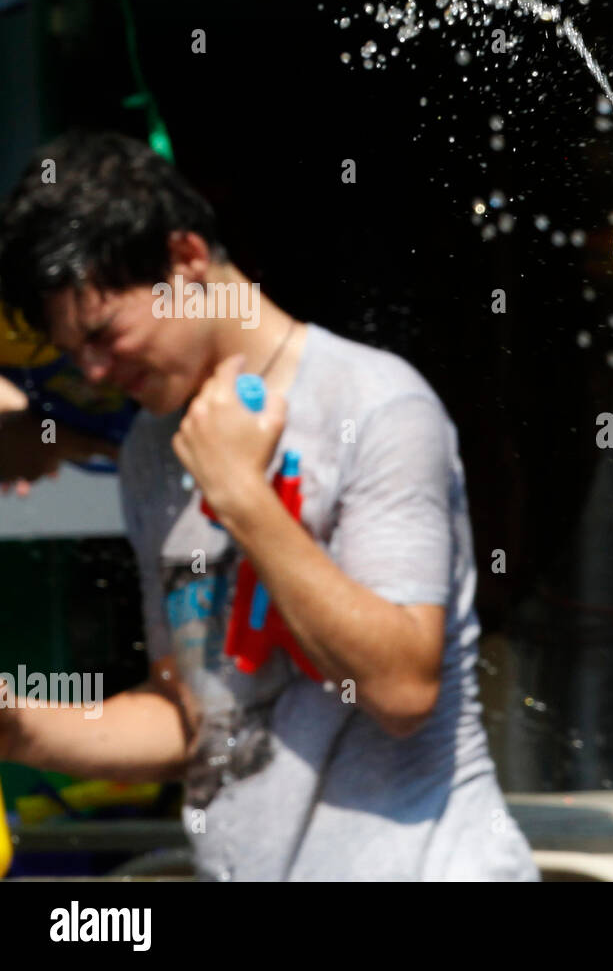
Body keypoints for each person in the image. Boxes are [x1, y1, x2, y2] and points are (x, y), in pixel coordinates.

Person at [0, 131, 538, 881]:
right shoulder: (150, 454)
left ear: (187, 261)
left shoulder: (378, 401)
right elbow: (196, 716)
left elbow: (402, 687)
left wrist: (241, 495)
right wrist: (18, 726)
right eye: (72, 352)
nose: (92, 370)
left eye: (103, 331)